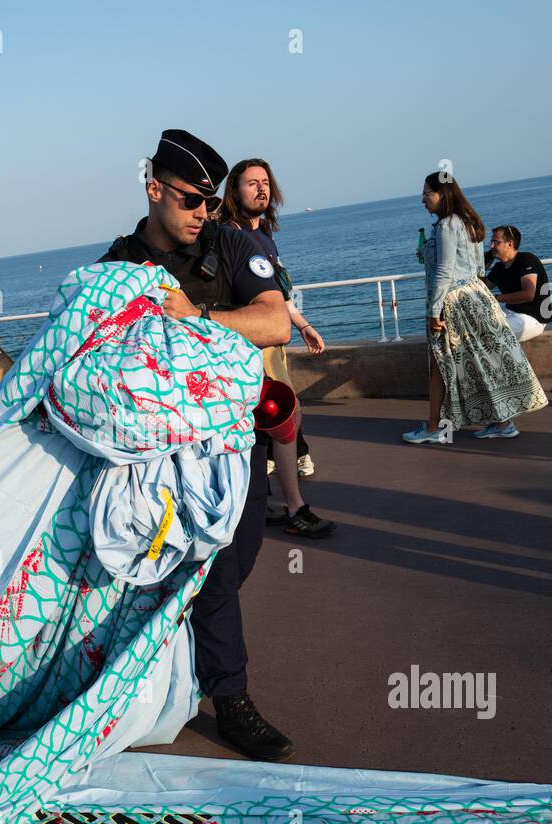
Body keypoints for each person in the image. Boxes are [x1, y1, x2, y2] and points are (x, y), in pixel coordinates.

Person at [99, 129, 295, 762]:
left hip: (236, 444)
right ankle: (230, 699)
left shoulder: (231, 242)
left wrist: (196, 318)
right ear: (154, 188)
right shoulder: (120, 262)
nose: (202, 214)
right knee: (209, 574)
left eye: (210, 202)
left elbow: (272, 319)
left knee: (234, 565)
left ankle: (188, 665)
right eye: (189, 200)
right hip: (155, 457)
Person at [219, 158, 333, 539]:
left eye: (265, 182)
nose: (261, 189)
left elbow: (277, 294)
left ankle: (261, 502)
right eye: (251, 183)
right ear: (234, 190)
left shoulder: (264, 236)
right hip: (248, 348)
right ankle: (295, 508)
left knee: (274, 424)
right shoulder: (229, 236)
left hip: (272, 346)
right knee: (283, 420)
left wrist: (303, 325)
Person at [403, 174, 547, 445]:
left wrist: (435, 310)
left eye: (427, 193)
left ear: (443, 194)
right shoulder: (469, 223)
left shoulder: (446, 225)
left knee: (438, 364)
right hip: (476, 297)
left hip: (454, 302)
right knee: (482, 361)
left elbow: (445, 271)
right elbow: (478, 268)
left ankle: (434, 427)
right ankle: (502, 422)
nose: (422, 199)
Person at [482, 225, 550, 341]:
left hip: (533, 319)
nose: (491, 246)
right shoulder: (499, 268)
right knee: (476, 325)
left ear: (510, 244)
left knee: (489, 333)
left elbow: (528, 294)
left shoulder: (526, 260)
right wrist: (481, 267)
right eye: (491, 242)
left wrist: (496, 298)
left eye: (495, 242)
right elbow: (481, 289)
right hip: (510, 313)